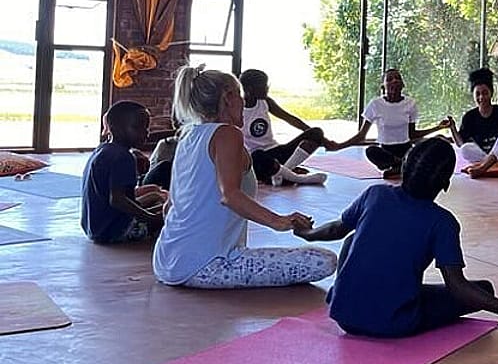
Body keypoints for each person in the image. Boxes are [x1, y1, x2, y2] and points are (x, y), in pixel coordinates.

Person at [295, 138, 498, 336]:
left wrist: (307, 233)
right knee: (483, 289)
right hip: (393, 324)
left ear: (403, 167)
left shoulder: (375, 194)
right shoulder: (442, 222)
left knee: (352, 238)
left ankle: (347, 293)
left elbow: (336, 229)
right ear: (446, 183)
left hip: (344, 315)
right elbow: (457, 287)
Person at [152, 66, 337, 289]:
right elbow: (229, 195)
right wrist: (279, 221)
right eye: (239, 95)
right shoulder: (227, 134)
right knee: (324, 260)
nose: (242, 102)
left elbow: (169, 207)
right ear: (228, 98)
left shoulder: (187, 136)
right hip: (207, 265)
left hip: (164, 260)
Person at [329, 68, 450, 179]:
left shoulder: (410, 103)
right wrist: (339, 146)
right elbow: (361, 136)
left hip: (405, 148)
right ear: (383, 85)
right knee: (371, 151)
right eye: (390, 79)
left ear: (403, 85)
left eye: (398, 78)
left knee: (426, 151)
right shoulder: (375, 104)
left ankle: (400, 166)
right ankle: (403, 165)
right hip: (385, 151)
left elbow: (412, 134)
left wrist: (438, 128)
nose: (394, 81)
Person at [81, 101, 168, 244]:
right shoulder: (123, 157)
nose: (146, 133)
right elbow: (117, 200)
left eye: (147, 128)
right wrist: (150, 218)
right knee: (175, 214)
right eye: (138, 128)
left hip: (95, 227)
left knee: (159, 200)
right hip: (116, 231)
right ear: (117, 128)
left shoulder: (103, 149)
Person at [239, 69, 328, 187]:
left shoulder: (266, 102)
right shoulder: (237, 107)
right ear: (250, 89)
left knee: (316, 133)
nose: (267, 88)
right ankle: (295, 177)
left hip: (275, 151)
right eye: (263, 86)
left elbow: (289, 118)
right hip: (257, 160)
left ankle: (284, 173)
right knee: (257, 155)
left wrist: (321, 138)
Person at [448, 67, 498, 178]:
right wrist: (452, 128)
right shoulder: (469, 116)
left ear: (491, 93)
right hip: (483, 155)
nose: (481, 97)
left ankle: (482, 168)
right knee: (465, 149)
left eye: (485, 93)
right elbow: (461, 143)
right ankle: (496, 165)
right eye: (478, 94)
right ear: (473, 96)